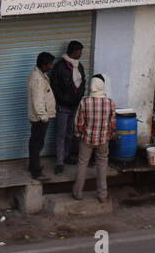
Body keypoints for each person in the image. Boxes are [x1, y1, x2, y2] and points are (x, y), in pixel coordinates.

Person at [72, 74, 116, 202]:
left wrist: (79, 134)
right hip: (103, 140)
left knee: (82, 164)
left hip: (87, 139)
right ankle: (102, 195)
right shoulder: (110, 102)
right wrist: (110, 135)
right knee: (102, 165)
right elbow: (113, 124)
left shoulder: (85, 102)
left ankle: (78, 193)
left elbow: (79, 123)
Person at [49, 40, 87, 174]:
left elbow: (82, 82)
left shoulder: (79, 66)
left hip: (74, 105)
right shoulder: (60, 66)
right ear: (73, 52)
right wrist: (64, 99)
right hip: (63, 106)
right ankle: (59, 162)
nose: (81, 54)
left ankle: (66, 155)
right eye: (79, 51)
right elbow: (54, 86)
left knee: (70, 132)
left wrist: (79, 97)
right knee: (61, 133)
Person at [27, 52, 56, 180]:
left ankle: (33, 166)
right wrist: (43, 116)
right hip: (40, 117)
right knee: (37, 143)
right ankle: (36, 172)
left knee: (35, 142)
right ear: (44, 65)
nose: (51, 66)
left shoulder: (40, 75)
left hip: (39, 116)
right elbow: (38, 100)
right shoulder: (38, 79)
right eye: (50, 64)